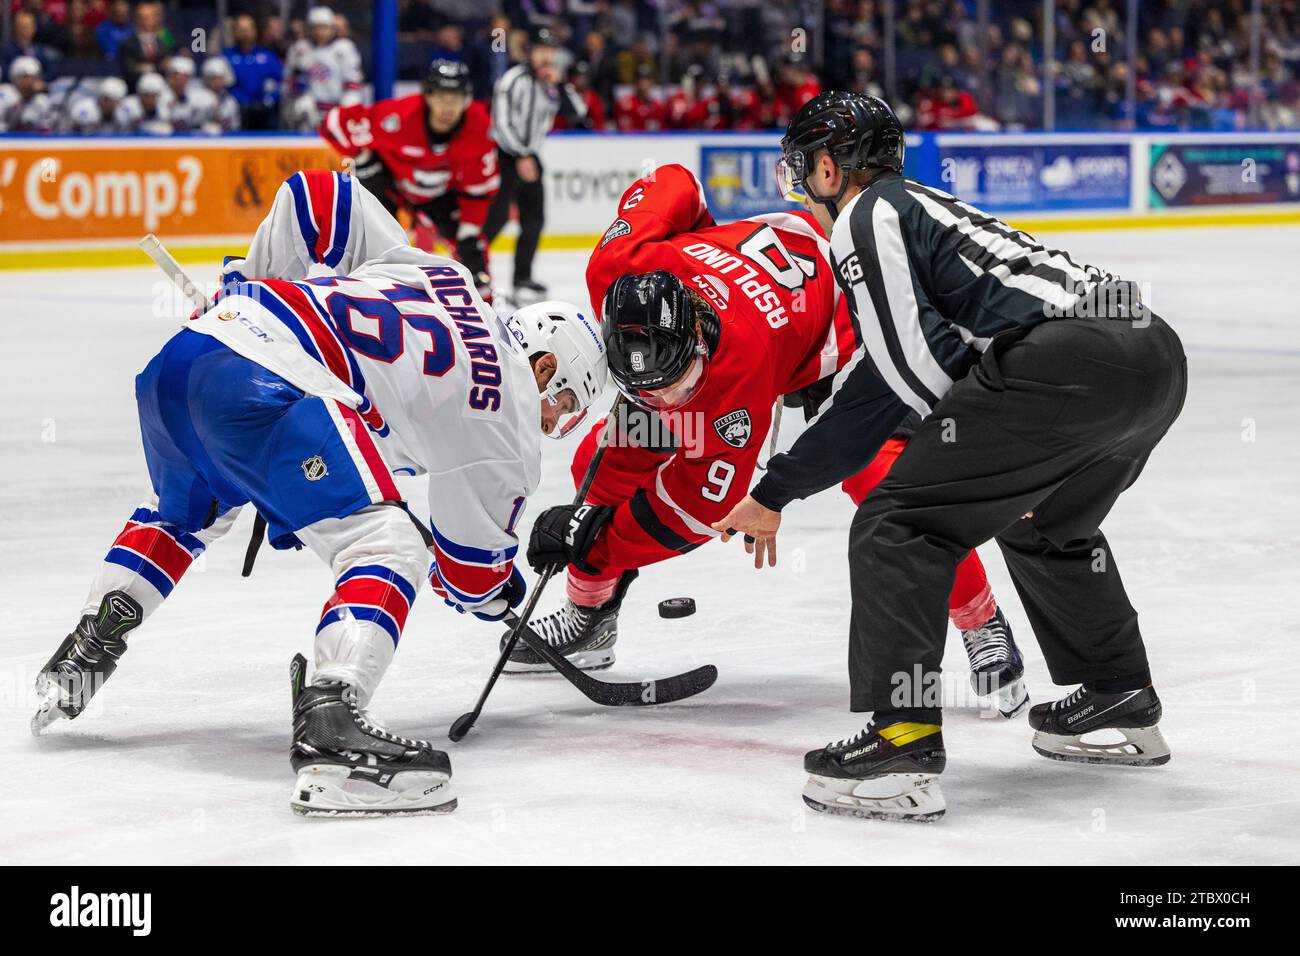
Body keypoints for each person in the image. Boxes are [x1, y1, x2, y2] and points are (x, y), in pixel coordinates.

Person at [31, 169, 607, 817]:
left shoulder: (441, 275)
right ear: (546, 365)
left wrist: (244, 281)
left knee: (184, 519)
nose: (555, 426)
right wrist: (502, 591)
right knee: (388, 546)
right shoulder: (509, 415)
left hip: (185, 361)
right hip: (265, 386)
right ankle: (333, 729)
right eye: (566, 405)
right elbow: (469, 574)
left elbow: (319, 196)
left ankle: (89, 643)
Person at [716, 92, 1187, 821]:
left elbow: (914, 370)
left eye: (803, 168)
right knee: (1046, 525)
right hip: (1150, 354)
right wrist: (778, 490)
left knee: (896, 523)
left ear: (831, 167)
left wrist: (947, 462)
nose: (802, 185)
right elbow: (879, 387)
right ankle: (1118, 694)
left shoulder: (866, 217)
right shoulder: (921, 209)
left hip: (1071, 360)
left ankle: (901, 743)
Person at [511, 163, 1029, 721]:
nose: (667, 406)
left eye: (679, 386)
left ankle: (982, 621)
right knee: (605, 456)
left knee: (876, 477)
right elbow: (673, 179)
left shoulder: (738, 383)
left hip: (841, 332)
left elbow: (702, 512)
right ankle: (591, 612)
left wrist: (595, 542)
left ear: (701, 344)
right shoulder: (618, 267)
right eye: (647, 391)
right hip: (760, 287)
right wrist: (698, 238)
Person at [320, 59, 499, 300]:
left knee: (473, 253)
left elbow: (478, 190)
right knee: (374, 243)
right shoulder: (396, 118)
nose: (448, 106)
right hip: (389, 185)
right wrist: (362, 157)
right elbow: (333, 123)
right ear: (427, 96)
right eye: (441, 97)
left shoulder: (479, 127)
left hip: (439, 195)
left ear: (466, 99)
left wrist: (468, 232)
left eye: (455, 98)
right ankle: (366, 296)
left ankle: (483, 311)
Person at [484, 29, 562, 305]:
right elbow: (500, 122)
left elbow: (575, 112)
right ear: (530, 51)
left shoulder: (549, 84)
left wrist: (559, 87)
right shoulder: (512, 80)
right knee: (498, 216)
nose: (547, 56)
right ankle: (472, 268)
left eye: (551, 51)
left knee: (534, 218)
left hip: (529, 154)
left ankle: (522, 279)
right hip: (505, 154)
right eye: (541, 50)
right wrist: (520, 155)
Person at [283, 5, 362, 131]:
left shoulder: (344, 48)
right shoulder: (300, 49)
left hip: (337, 109)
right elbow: (291, 80)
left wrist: (345, 107)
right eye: (316, 27)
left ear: (332, 28)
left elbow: (352, 82)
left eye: (324, 27)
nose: (320, 32)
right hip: (309, 111)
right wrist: (299, 98)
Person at [223, 14, 283, 130]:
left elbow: (280, 81)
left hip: (266, 112)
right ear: (234, 32)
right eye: (241, 30)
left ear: (255, 31)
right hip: (238, 112)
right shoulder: (226, 57)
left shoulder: (267, 55)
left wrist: (269, 99)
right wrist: (241, 100)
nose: (245, 34)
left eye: (248, 29)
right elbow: (224, 85)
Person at [0, 55, 55, 132]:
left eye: (33, 77)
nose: (30, 81)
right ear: (15, 78)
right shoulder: (5, 94)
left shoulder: (41, 101)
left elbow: (45, 131)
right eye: (25, 77)